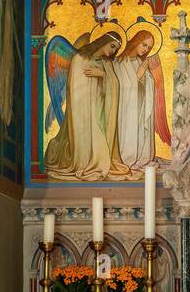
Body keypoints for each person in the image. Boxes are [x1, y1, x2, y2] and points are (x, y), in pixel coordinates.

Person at [45, 30, 124, 181]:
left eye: (116, 49)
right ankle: (82, 162)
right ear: (104, 41)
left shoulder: (106, 64)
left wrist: (102, 75)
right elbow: (73, 88)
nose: (113, 51)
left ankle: (95, 164)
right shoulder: (80, 58)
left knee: (99, 145)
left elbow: (114, 86)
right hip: (81, 110)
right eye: (112, 46)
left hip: (98, 111)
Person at [114, 29, 172, 171]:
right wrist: (139, 74)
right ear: (136, 41)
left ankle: (142, 157)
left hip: (141, 107)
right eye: (144, 44)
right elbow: (123, 87)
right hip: (128, 110)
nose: (145, 49)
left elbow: (149, 83)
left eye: (149, 47)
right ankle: (129, 158)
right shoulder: (120, 62)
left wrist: (144, 76)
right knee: (131, 134)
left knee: (141, 132)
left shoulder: (141, 62)